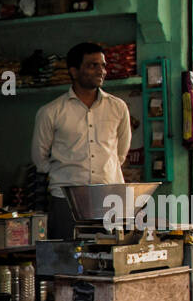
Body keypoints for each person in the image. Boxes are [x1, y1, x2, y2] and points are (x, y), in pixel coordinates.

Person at [31, 42, 133, 240]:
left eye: (103, 65)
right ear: (74, 71)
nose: (100, 71)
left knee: (109, 259)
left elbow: (121, 153)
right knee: (66, 258)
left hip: (109, 198)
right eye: (92, 65)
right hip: (67, 201)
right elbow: (39, 158)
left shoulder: (118, 108)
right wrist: (67, 175)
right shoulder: (51, 112)